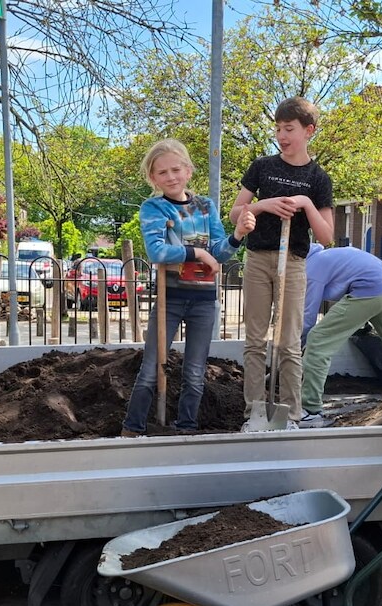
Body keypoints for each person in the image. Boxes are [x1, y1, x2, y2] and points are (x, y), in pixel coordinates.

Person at [121, 139, 255, 436]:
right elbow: (156, 252)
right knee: (151, 368)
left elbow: (219, 252)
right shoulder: (154, 207)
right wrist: (198, 253)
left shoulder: (205, 206)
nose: (170, 177)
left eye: (175, 169)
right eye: (162, 172)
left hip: (204, 300)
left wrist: (237, 235)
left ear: (188, 171)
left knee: (195, 372)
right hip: (171, 299)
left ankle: (187, 429)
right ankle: (132, 429)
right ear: (152, 178)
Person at [229, 96, 335, 422]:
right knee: (255, 341)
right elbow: (234, 212)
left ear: (309, 131)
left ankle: (291, 414)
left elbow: (327, 236)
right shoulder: (262, 166)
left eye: (288, 128)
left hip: (294, 262)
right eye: (277, 129)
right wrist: (262, 206)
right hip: (259, 259)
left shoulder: (318, 178)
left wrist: (305, 202)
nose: (282, 135)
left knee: (289, 343)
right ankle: (255, 413)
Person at [298, 243, 382, 427]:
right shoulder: (328, 256)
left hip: (370, 290)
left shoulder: (311, 267)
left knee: (318, 341)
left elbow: (308, 315)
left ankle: (310, 411)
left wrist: (296, 346)